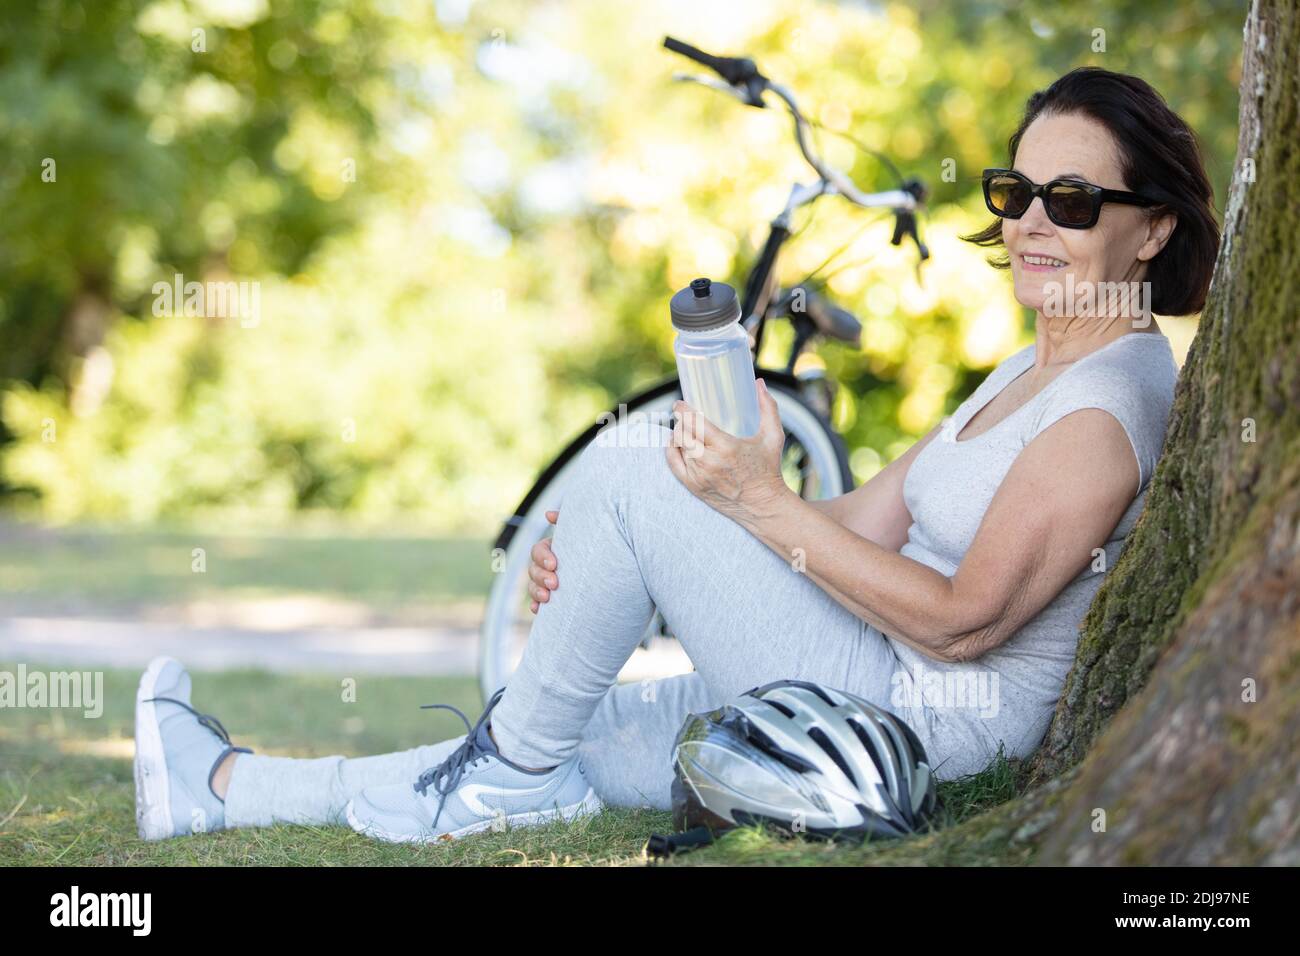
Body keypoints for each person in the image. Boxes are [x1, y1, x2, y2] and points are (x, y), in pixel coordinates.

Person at [133, 66, 1220, 843]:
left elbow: (965, 618)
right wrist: (663, 545)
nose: (1029, 221)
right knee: (574, 736)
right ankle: (223, 785)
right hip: (866, 666)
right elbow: (853, 528)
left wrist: (721, 501)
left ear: (1153, 228)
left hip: (920, 721)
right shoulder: (1025, 370)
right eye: (1012, 192)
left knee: (629, 462)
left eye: (1070, 201)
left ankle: (503, 775)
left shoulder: (1106, 401)